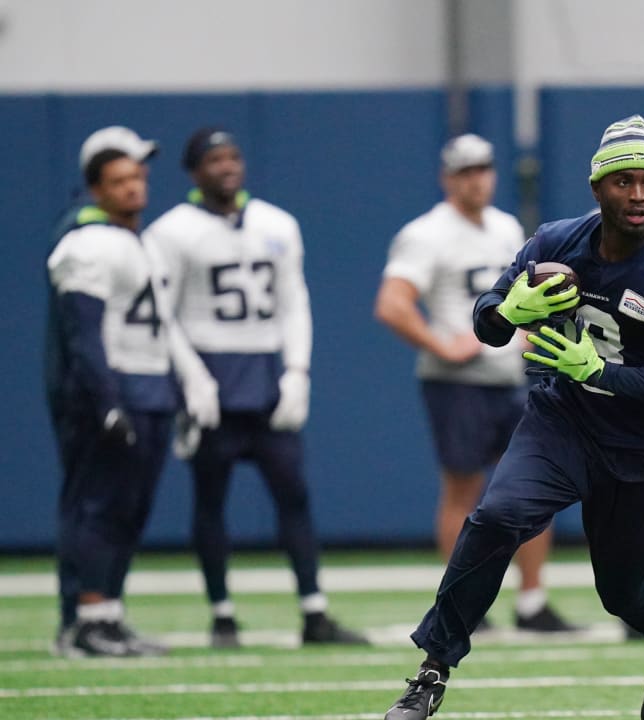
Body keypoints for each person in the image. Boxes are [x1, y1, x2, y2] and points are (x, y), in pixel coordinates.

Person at [383, 114, 644, 720]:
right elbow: (488, 322)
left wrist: (603, 373)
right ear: (597, 188)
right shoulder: (556, 242)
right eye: (624, 181)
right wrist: (508, 308)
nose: (639, 194)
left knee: (621, 590)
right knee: (496, 516)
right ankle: (432, 668)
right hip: (561, 421)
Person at [142, 127, 366, 648]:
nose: (226, 166)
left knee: (294, 494)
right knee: (211, 497)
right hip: (211, 374)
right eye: (214, 159)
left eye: (233, 156)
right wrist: (191, 376)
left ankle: (314, 612)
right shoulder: (171, 232)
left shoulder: (276, 224)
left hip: (266, 374)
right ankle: (222, 614)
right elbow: (162, 313)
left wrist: (296, 371)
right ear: (194, 171)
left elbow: (295, 301)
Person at [374, 133, 578, 633]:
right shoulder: (427, 233)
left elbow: (527, 294)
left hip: (509, 377)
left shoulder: (506, 226)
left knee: (537, 487)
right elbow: (392, 304)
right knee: (463, 491)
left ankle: (532, 601)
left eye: (483, 168)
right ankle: (462, 602)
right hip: (458, 382)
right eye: (465, 171)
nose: (477, 178)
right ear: (447, 178)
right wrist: (442, 344)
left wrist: (535, 337)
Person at [45, 147, 176, 656]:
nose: (133, 188)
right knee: (96, 506)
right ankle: (85, 619)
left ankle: (110, 614)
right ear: (97, 189)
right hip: (113, 387)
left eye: (137, 178)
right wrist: (105, 400)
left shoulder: (140, 243)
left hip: (151, 386)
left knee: (130, 509)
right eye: (120, 181)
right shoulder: (87, 244)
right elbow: (84, 335)